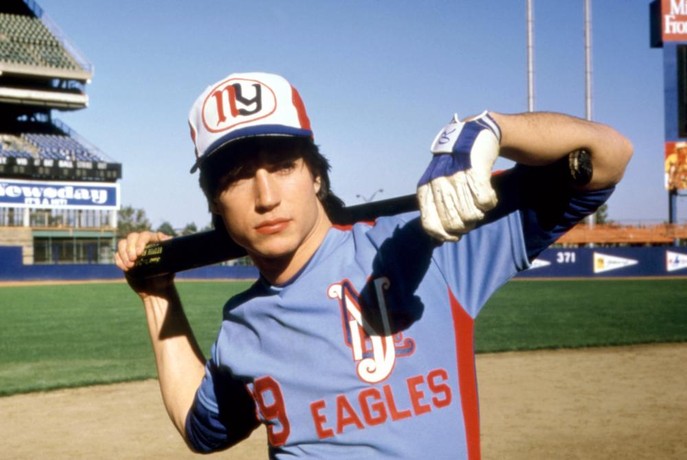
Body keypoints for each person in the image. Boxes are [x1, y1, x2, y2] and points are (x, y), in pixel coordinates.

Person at [115, 71, 632, 459]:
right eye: (237, 177)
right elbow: (203, 431)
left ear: (316, 175)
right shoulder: (241, 328)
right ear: (214, 202)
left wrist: (492, 128)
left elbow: (608, 157)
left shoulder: (421, 245)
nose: (266, 196)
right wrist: (157, 296)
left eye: (283, 165)